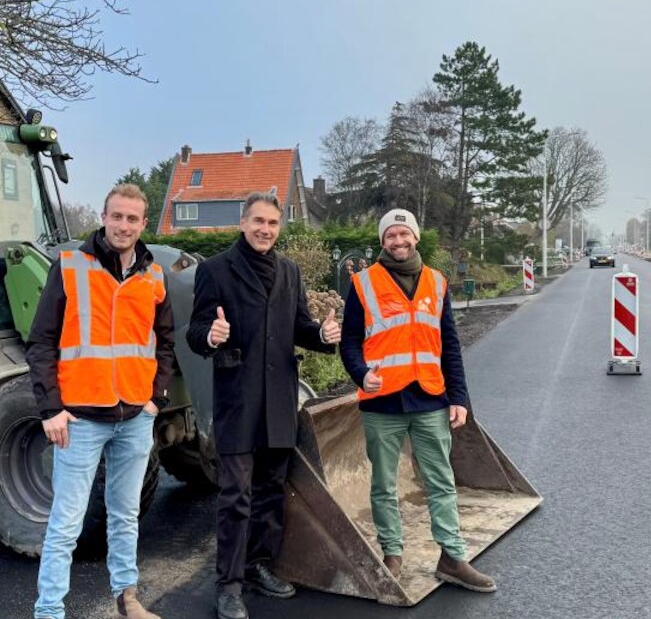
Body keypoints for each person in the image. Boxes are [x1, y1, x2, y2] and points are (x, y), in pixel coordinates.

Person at [185, 192, 341, 619]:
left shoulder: (289, 272)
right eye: (258, 221)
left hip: (278, 399)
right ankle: (228, 585)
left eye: (272, 223)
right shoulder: (214, 270)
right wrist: (209, 336)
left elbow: (300, 327)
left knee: (271, 490)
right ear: (242, 222)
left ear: (279, 227)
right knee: (236, 494)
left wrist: (322, 336)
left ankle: (258, 565)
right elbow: (195, 331)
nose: (265, 230)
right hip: (238, 399)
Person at [28, 183, 175, 619]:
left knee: (125, 515)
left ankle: (128, 600)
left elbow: (164, 341)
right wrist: (50, 408)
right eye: (117, 216)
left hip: (135, 415)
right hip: (80, 418)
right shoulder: (71, 266)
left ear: (142, 223)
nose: (124, 225)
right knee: (66, 524)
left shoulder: (153, 276)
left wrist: (156, 398)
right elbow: (41, 341)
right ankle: (49, 611)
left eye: (132, 218)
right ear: (104, 217)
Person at [338, 208, 496, 593]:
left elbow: (450, 346)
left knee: (441, 481)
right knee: (383, 484)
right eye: (390, 235)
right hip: (382, 403)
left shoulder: (437, 283)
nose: (398, 241)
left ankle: (452, 557)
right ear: (382, 242)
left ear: (415, 238)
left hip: (429, 398)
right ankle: (392, 551)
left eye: (404, 234)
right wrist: (361, 374)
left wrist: (459, 397)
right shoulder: (363, 284)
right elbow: (349, 341)